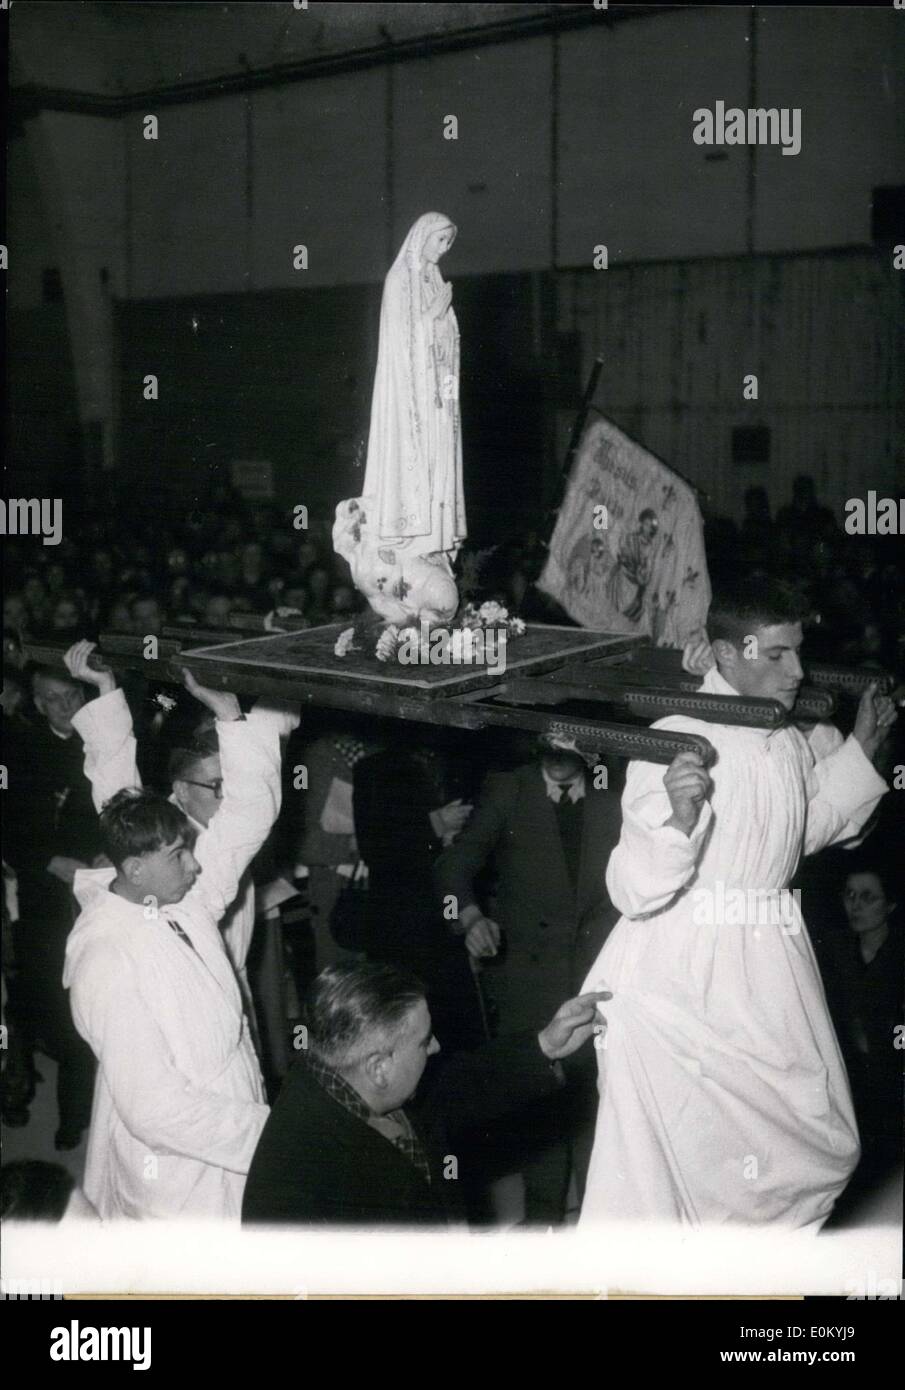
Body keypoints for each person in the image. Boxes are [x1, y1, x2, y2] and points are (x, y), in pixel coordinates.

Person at [581, 578, 896, 1230]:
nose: (797, 671)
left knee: (815, 1146)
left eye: (797, 653)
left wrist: (863, 747)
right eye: (776, 655)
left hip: (769, 964)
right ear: (726, 656)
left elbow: (800, 832)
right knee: (676, 1177)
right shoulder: (677, 735)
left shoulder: (783, 738)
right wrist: (678, 819)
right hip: (683, 982)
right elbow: (631, 889)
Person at [61, 649, 298, 1220]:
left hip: (235, 1111)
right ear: (135, 869)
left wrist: (229, 717)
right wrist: (277, 1137)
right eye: (178, 855)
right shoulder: (107, 959)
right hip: (178, 1171)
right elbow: (155, 1109)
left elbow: (244, 822)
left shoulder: (182, 899)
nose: (197, 865)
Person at [241, 962, 609, 1227]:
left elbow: (458, 1085)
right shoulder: (292, 1193)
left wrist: (546, 1043)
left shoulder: (344, 1080)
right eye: (422, 1041)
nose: (435, 1047)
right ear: (379, 1067)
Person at [435, 736, 622, 1222]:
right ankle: (541, 1228)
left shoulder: (614, 786)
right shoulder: (509, 788)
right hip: (529, 980)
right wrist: (469, 919)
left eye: (570, 745)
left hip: (599, 974)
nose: (558, 757)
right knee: (540, 1099)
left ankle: (599, 1221)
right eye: (548, 745)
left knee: (599, 1101)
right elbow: (452, 868)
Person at [1, 665, 100, 1145]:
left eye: (72, 695)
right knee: (59, 1005)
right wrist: (48, 860)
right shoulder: (18, 751)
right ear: (37, 704)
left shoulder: (104, 737)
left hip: (102, 886)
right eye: (53, 700)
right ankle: (70, 1104)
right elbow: (9, 832)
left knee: (102, 993)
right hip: (48, 896)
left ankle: (82, 1110)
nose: (66, 707)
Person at [363, 211, 465, 559]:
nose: (444, 248)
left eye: (448, 242)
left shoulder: (434, 280)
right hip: (411, 393)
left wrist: (441, 324)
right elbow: (400, 342)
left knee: (439, 458)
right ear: (422, 236)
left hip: (438, 394)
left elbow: (450, 336)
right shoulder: (399, 280)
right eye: (440, 240)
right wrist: (430, 320)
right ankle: (406, 535)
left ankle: (434, 541)